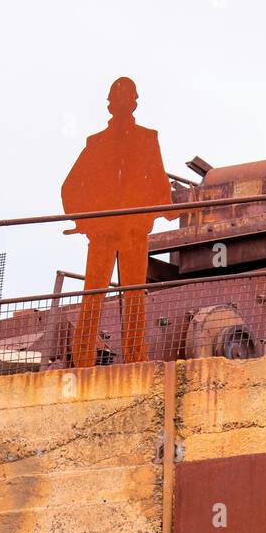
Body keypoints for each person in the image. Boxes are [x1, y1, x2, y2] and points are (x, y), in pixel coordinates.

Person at [61, 78, 172, 367]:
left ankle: (106, 359)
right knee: (106, 295)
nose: (124, 104)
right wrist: (85, 220)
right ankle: (112, 359)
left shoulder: (145, 138)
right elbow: (70, 187)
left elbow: (158, 180)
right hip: (107, 231)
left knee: (119, 295)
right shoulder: (97, 142)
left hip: (130, 230)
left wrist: (84, 219)